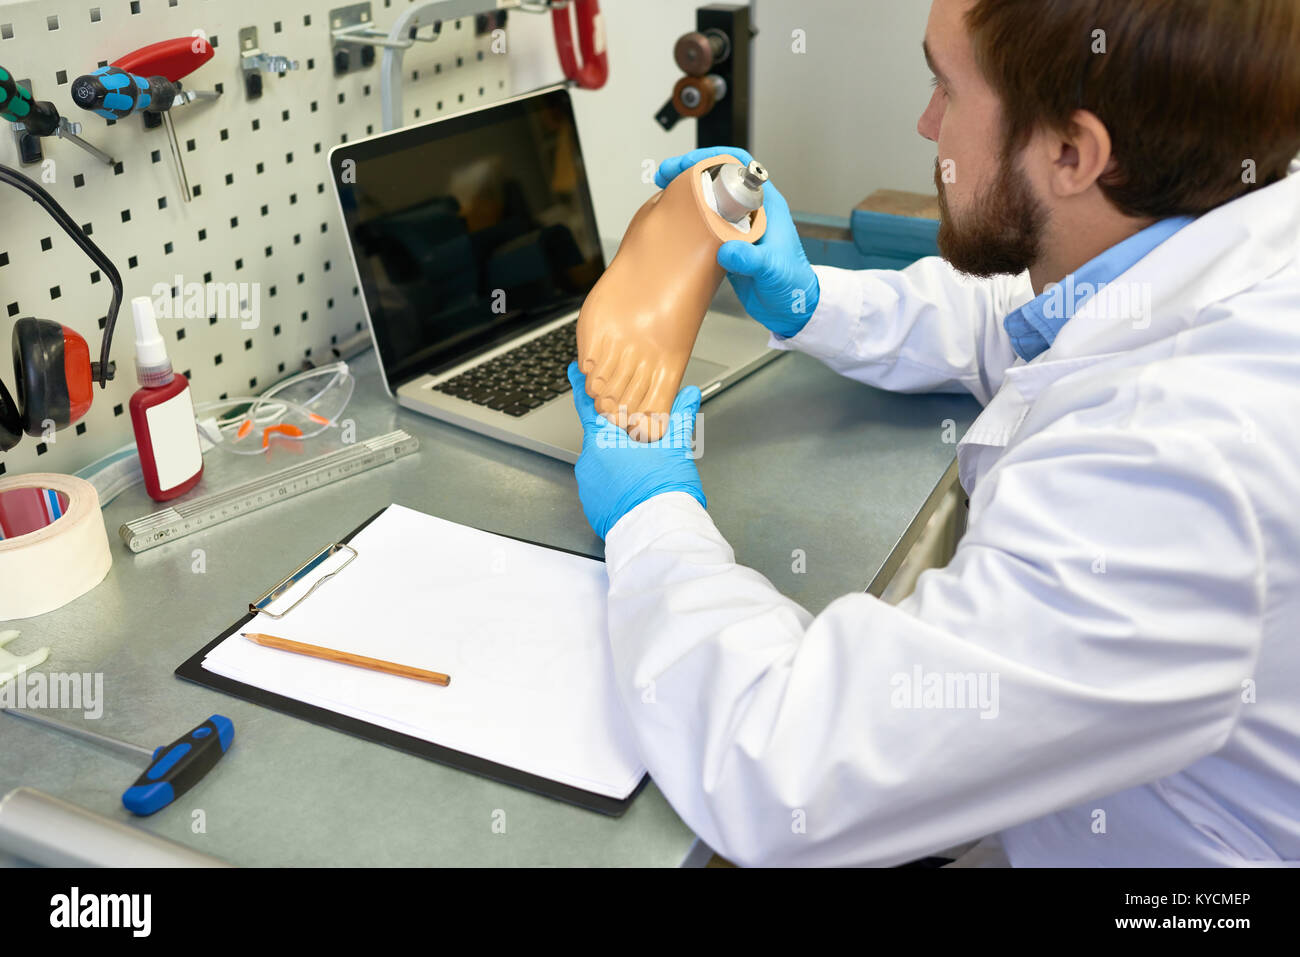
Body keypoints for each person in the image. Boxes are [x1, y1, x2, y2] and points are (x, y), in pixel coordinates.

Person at [564, 0, 1300, 867]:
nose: (925, 123)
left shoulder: (1177, 469)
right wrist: (814, 301)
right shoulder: (1230, 219)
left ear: (1073, 152)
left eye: (944, 89)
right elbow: (1039, 314)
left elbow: (782, 772)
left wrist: (652, 515)